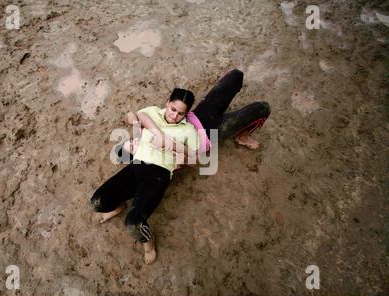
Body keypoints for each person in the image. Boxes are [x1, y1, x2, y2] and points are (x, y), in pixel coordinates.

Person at [89, 88, 199, 265]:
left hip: (159, 174)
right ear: (167, 102)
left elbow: (194, 159)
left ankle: (148, 244)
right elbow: (134, 116)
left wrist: (175, 147)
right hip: (137, 165)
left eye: (181, 114)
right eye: (173, 109)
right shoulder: (152, 112)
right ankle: (117, 207)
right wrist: (135, 135)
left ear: (186, 114)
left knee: (133, 223)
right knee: (97, 202)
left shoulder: (188, 130)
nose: (174, 116)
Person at [119, 69, 271, 163]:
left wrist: (133, 121)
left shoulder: (145, 126)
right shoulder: (155, 155)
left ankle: (217, 102)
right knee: (263, 108)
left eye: (131, 141)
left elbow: (131, 115)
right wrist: (183, 159)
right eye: (133, 148)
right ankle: (242, 136)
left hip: (200, 114)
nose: (173, 116)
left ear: (167, 102)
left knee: (236, 75)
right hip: (212, 133)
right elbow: (193, 158)